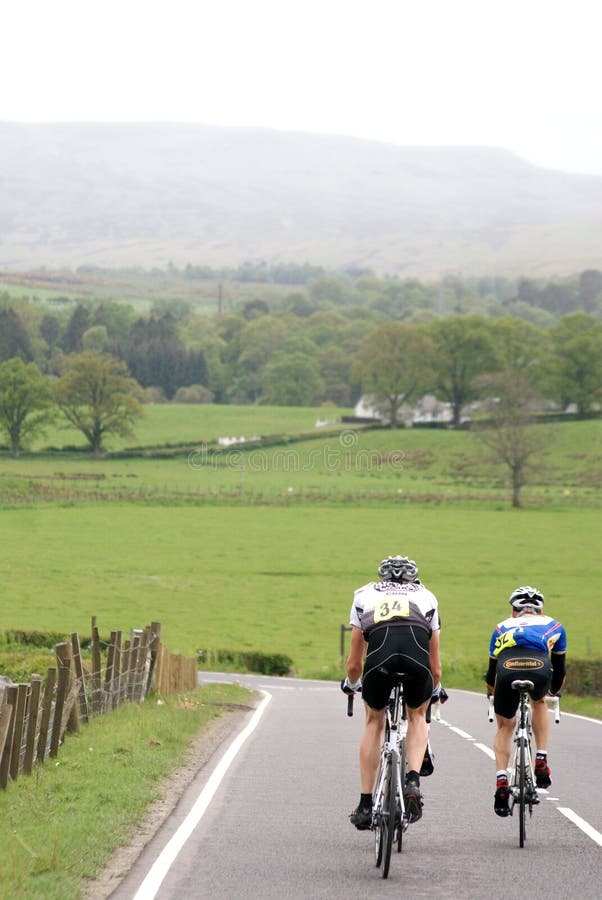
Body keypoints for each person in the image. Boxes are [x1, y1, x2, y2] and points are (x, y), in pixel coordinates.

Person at [342, 555, 444, 829]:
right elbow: (435, 667)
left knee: (374, 720)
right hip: (415, 660)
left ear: (382, 577)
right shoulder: (427, 596)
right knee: (417, 717)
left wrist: (351, 684)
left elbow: (354, 662)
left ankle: (365, 804)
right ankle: (412, 780)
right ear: (413, 577)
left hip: (380, 660)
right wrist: (435, 690)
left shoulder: (364, 594)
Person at [485, 585, 567, 817]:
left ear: (514, 611)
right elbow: (559, 669)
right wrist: (554, 690)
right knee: (538, 701)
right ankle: (541, 757)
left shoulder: (501, 627)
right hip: (539, 668)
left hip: (507, 670)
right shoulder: (554, 625)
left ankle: (502, 780)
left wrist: (491, 692)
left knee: (505, 726)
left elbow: (492, 672)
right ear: (540, 610)